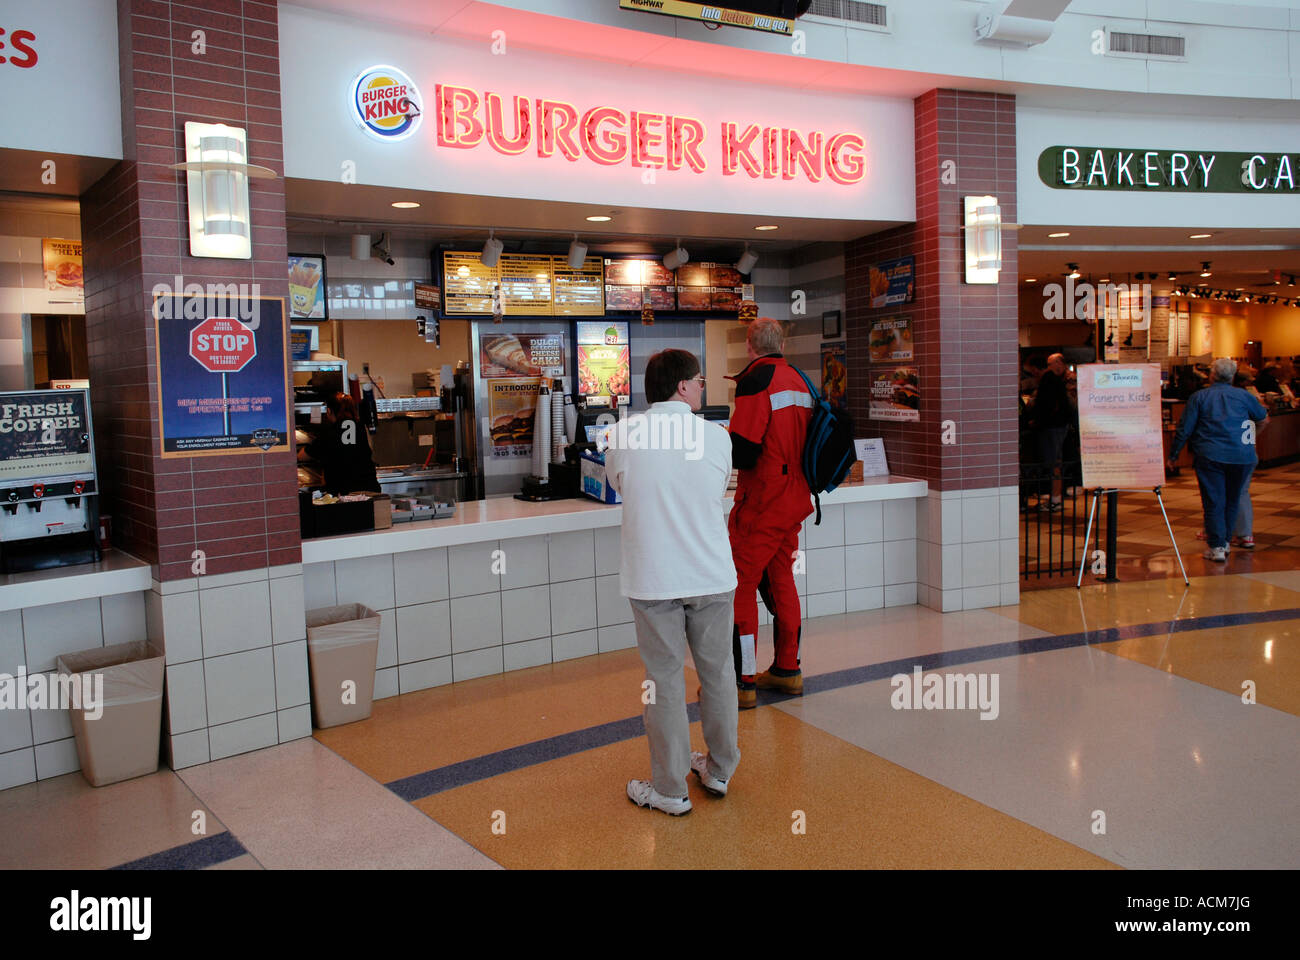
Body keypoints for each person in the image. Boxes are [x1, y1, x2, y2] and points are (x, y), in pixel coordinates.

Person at [604, 349, 739, 816]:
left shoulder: (622, 433)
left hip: (654, 578)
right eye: (700, 380)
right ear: (682, 386)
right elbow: (717, 488)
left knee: (663, 681)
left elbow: (622, 484)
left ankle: (669, 789)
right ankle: (719, 771)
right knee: (718, 674)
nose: (704, 387)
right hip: (711, 575)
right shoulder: (717, 437)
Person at [727, 318, 814, 710]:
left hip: (762, 501)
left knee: (741, 585)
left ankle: (743, 682)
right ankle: (787, 669)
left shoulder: (754, 381)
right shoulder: (800, 380)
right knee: (782, 579)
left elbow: (743, 450)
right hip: (795, 497)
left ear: (750, 346)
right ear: (782, 343)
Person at [1169, 358, 1269, 563]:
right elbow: (1263, 418)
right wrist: (1249, 439)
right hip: (1242, 456)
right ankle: (1224, 542)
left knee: (1214, 501)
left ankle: (1216, 547)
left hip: (1210, 455)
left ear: (1212, 375)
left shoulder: (1199, 397)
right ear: (1232, 376)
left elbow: (1184, 429)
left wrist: (1173, 455)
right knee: (1233, 499)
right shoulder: (1244, 396)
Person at [308, 392, 380, 494]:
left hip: (341, 492)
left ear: (329, 411)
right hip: (368, 490)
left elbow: (304, 455)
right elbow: (371, 450)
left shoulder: (329, 431)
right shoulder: (362, 427)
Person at [1029, 353, 1073, 511]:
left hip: (1052, 427)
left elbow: (1045, 406)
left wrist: (1036, 420)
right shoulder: (1055, 380)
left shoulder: (1048, 381)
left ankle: (1055, 499)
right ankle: (1056, 497)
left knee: (1054, 462)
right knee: (1056, 461)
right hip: (1059, 425)